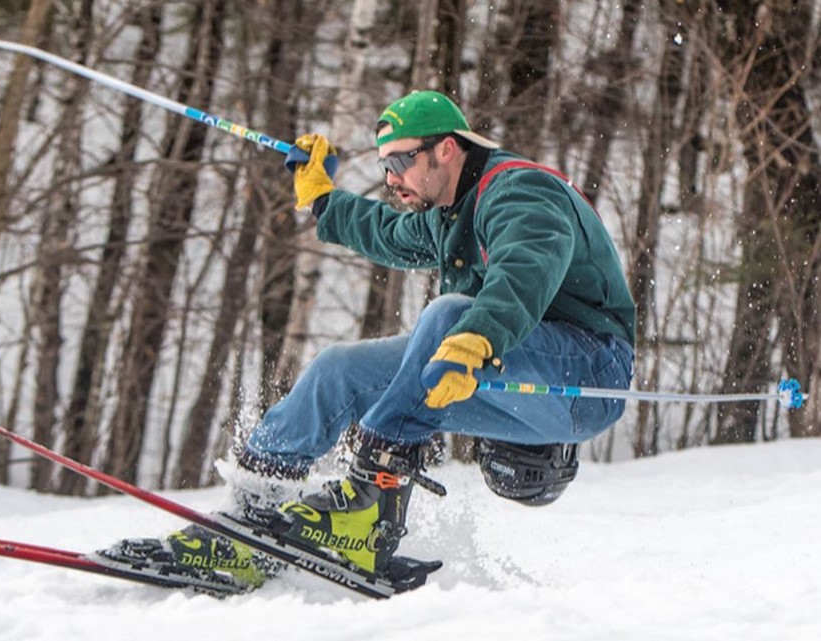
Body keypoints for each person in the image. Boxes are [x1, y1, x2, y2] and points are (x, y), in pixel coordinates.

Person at [110, 90, 636, 588]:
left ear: (446, 149)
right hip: (498, 366)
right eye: (385, 166)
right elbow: (387, 232)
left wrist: (476, 336)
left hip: (583, 379)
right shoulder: (449, 213)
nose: (391, 178)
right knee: (341, 369)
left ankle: (370, 507)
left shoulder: (521, 190)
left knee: (448, 315)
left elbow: (526, 268)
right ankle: (253, 513)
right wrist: (322, 200)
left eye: (401, 162)